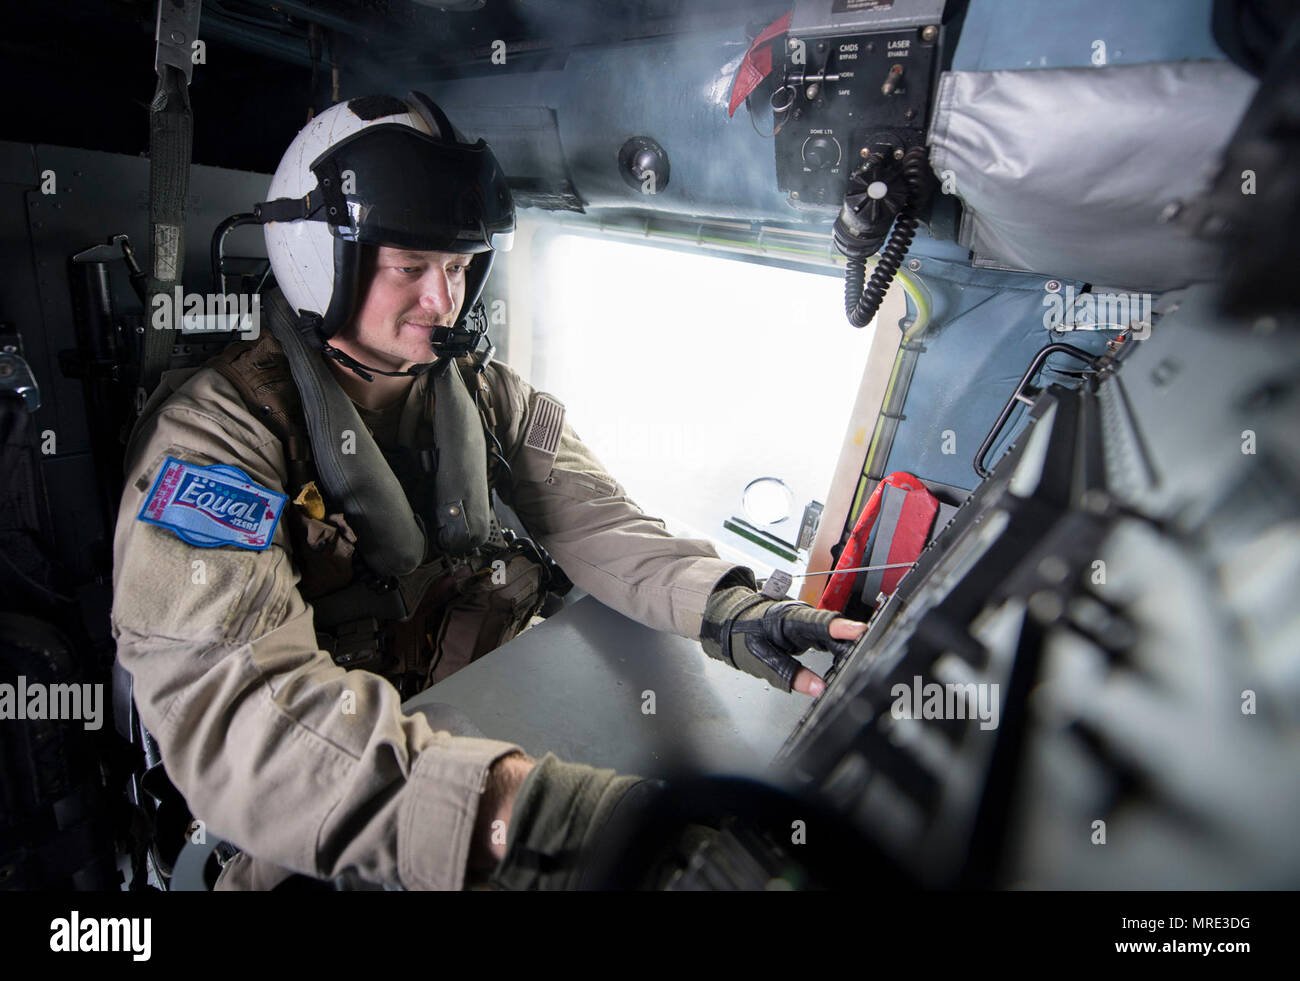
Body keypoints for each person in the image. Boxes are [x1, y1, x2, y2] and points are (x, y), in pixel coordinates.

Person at [110, 91, 867, 890]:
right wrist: (534, 817)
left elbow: (597, 517)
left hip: (474, 724)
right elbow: (246, 721)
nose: (445, 301)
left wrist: (728, 607)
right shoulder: (214, 447)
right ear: (316, 257)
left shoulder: (474, 391)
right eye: (411, 267)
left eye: (461, 266)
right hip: (319, 809)